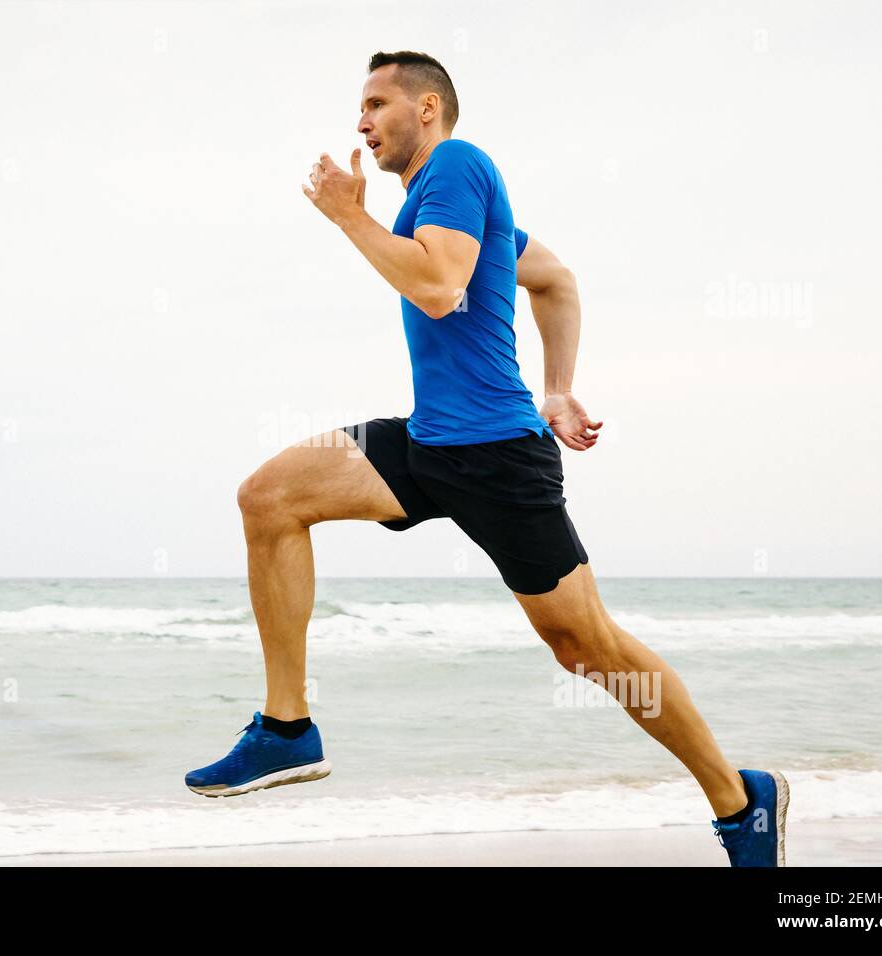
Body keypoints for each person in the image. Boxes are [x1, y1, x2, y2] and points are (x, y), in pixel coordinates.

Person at [184, 50, 788, 867]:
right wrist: (561, 387)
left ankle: (740, 799)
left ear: (426, 108)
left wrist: (347, 217)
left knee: (587, 650)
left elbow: (437, 287)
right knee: (268, 499)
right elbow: (553, 277)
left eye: (376, 103)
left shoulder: (458, 166)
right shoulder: (438, 202)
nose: (361, 121)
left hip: (501, 458)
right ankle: (287, 729)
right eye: (358, 107)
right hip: (430, 442)